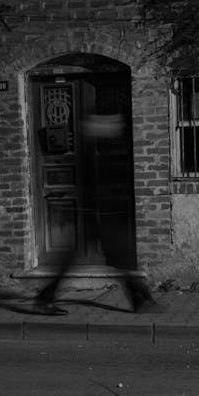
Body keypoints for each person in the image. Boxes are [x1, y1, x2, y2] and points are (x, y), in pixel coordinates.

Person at [32, 112, 161, 316]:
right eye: (109, 124)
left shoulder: (104, 149)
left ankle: (140, 299)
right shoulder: (92, 151)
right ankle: (141, 300)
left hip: (104, 213)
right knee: (118, 258)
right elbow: (94, 184)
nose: (114, 128)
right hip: (96, 214)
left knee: (117, 259)